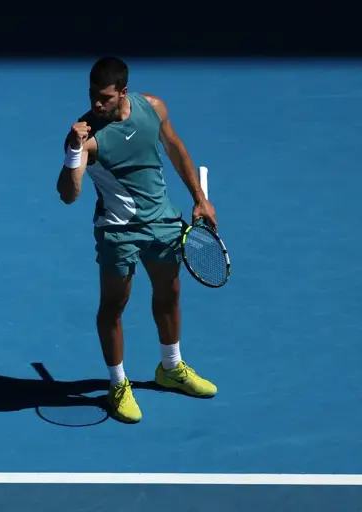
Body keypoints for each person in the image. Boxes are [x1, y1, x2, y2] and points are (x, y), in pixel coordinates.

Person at [56, 56, 218, 424]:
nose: (97, 104)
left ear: (123, 92)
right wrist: (73, 150)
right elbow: (68, 194)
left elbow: (175, 149)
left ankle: (171, 368)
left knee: (170, 294)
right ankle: (117, 385)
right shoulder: (89, 136)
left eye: (106, 98)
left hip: (162, 221)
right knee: (114, 305)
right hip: (119, 230)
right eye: (93, 96)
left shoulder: (153, 107)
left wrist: (199, 198)